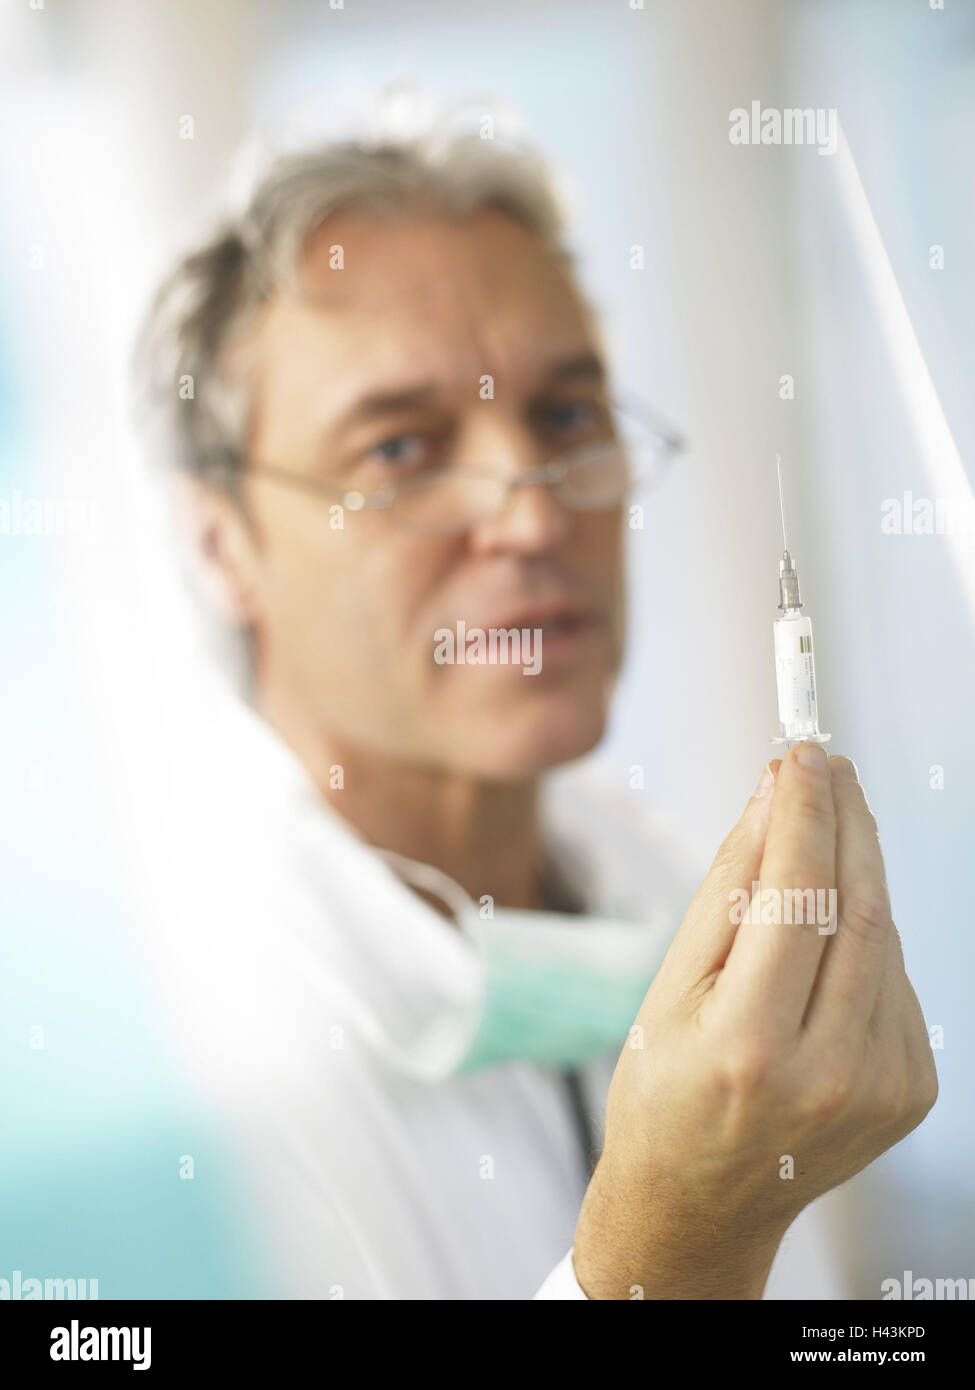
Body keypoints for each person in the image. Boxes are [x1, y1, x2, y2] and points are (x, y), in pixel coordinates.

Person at [133, 119, 938, 1300]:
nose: (532, 516)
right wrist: (676, 1245)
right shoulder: (172, 1057)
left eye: (567, 418)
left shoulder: (660, 882)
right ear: (223, 544)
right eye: (403, 446)